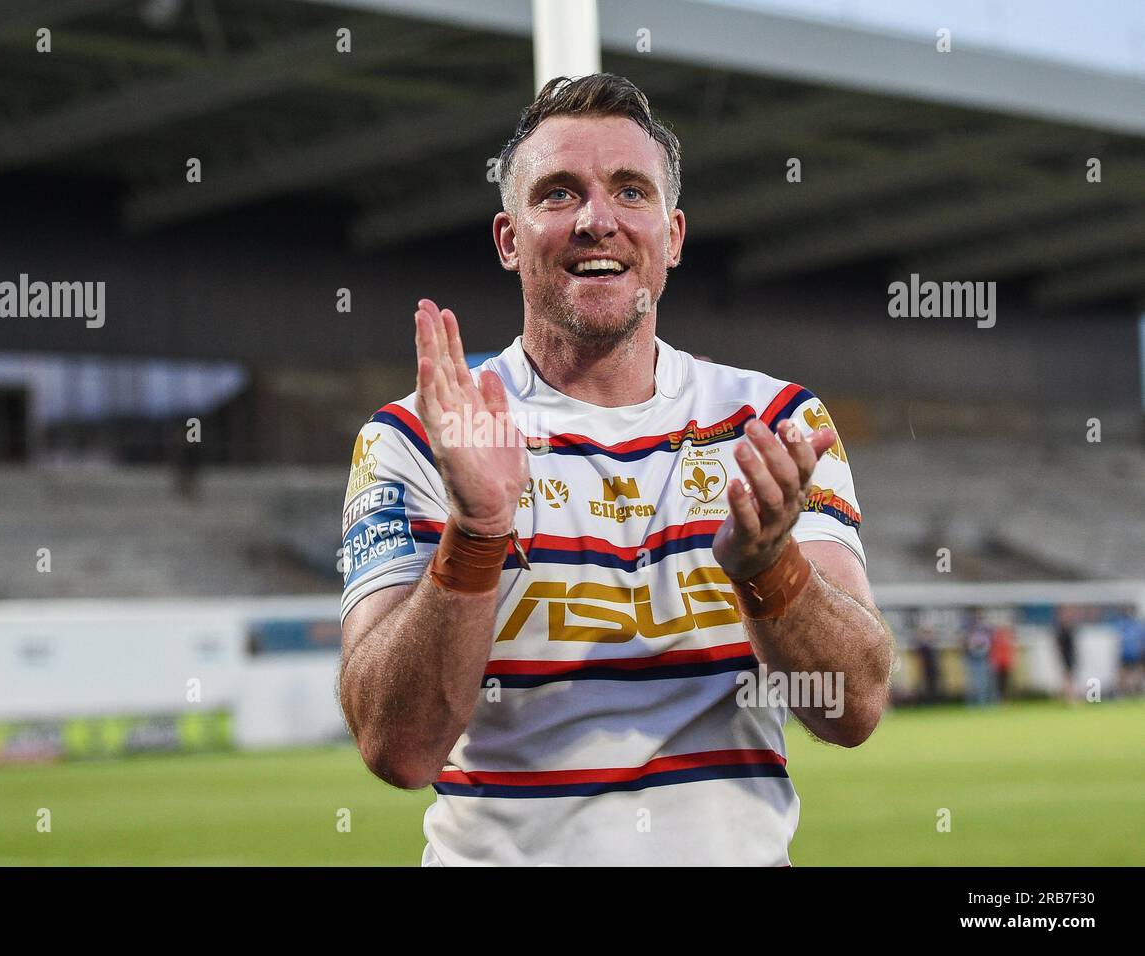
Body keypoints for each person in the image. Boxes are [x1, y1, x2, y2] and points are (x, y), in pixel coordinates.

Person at [337, 74, 894, 866]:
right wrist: (478, 532)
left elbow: (854, 709)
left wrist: (770, 568)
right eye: (559, 194)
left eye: (631, 191)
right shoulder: (417, 436)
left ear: (672, 236)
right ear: (509, 239)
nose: (597, 220)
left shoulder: (775, 422)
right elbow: (398, 749)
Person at [963, 608, 994, 706]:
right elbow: (966, 643)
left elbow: (990, 642)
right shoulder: (969, 628)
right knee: (972, 683)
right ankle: (972, 703)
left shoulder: (986, 629)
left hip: (984, 657)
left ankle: (983, 702)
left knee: (984, 682)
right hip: (972, 658)